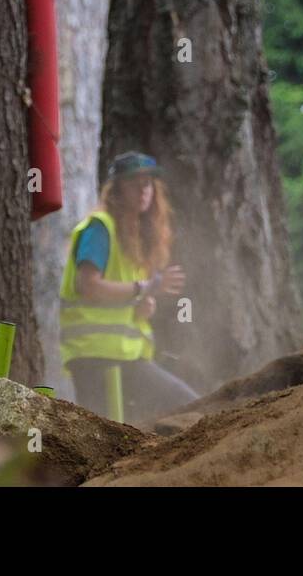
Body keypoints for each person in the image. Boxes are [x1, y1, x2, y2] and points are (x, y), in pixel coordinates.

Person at [58, 151, 198, 422]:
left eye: (148, 183)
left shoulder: (131, 236)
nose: (144, 190)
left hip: (123, 357)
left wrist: (139, 306)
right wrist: (143, 288)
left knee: (132, 429)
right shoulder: (100, 228)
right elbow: (89, 286)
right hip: (97, 358)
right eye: (135, 182)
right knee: (188, 405)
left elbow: (118, 295)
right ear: (117, 189)